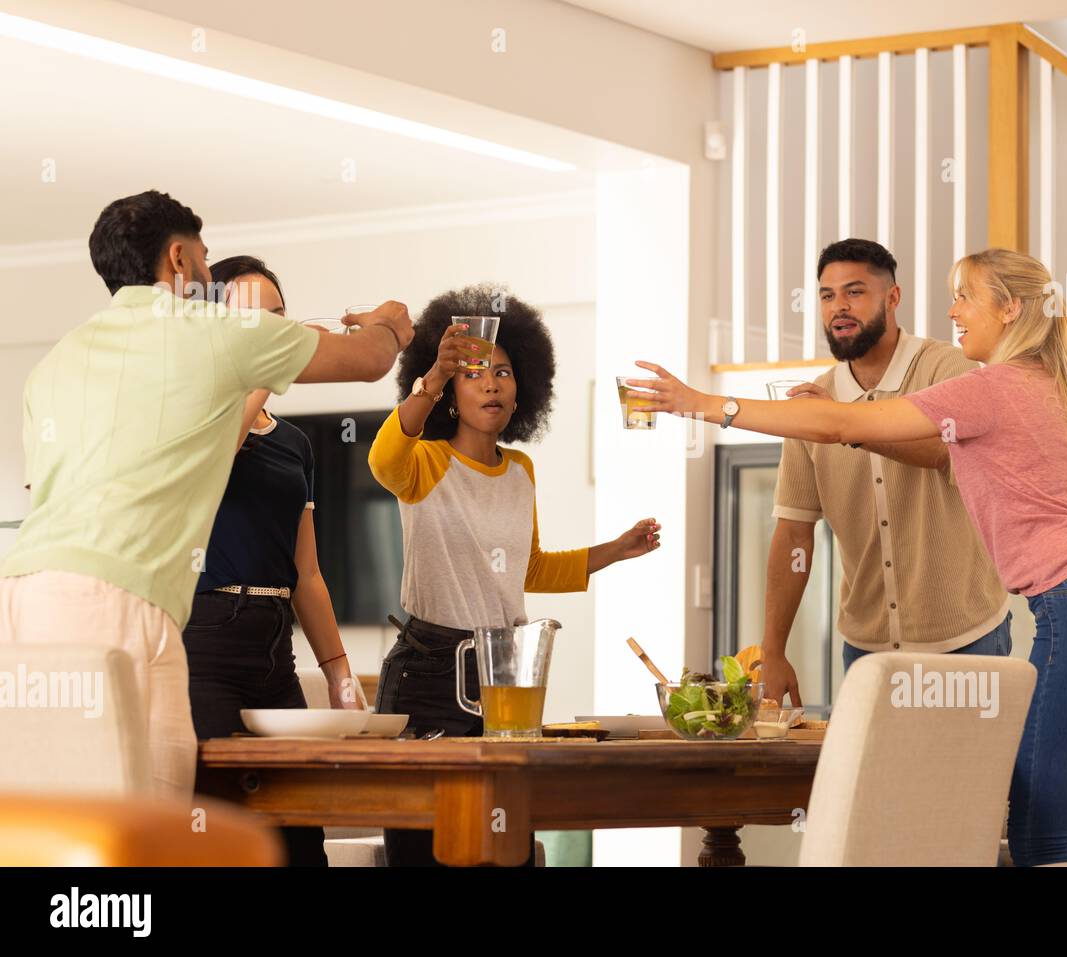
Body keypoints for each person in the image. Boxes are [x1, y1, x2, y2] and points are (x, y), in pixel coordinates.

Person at [631, 248, 1067, 867]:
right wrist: (829, 413)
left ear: (1011, 308)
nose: (954, 311)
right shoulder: (1052, 386)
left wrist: (705, 404)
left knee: (1040, 836)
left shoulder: (989, 388)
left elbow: (840, 429)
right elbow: (855, 431)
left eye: (965, 296)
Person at [0, 190, 412, 798]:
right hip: (121, 599)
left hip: (22, 603)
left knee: (60, 811)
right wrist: (390, 321)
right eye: (203, 256)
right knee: (153, 816)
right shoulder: (218, 329)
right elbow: (371, 359)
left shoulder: (58, 359)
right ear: (177, 257)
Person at [368, 284, 661, 866]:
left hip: (504, 679)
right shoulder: (423, 463)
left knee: (508, 848)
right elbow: (382, 458)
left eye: (503, 371)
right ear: (450, 387)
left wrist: (617, 550)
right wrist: (429, 378)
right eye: (474, 371)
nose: (492, 383)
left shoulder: (521, 470)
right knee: (428, 849)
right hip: (429, 674)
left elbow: (527, 569)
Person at [762, 239, 1010, 709]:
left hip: (966, 637)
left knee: (969, 782)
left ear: (892, 298)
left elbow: (944, 451)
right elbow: (794, 533)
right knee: (878, 783)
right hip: (866, 651)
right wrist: (774, 649)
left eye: (855, 292)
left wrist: (844, 426)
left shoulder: (949, 368)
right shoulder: (813, 403)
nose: (839, 307)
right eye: (827, 295)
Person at [182, 255, 360, 866]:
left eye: (280, 321)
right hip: (202, 645)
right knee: (218, 836)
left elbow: (306, 572)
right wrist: (261, 370)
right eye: (256, 324)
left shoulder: (293, 443)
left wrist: (338, 673)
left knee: (299, 840)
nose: (276, 336)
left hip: (274, 649)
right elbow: (216, 451)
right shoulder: (192, 417)